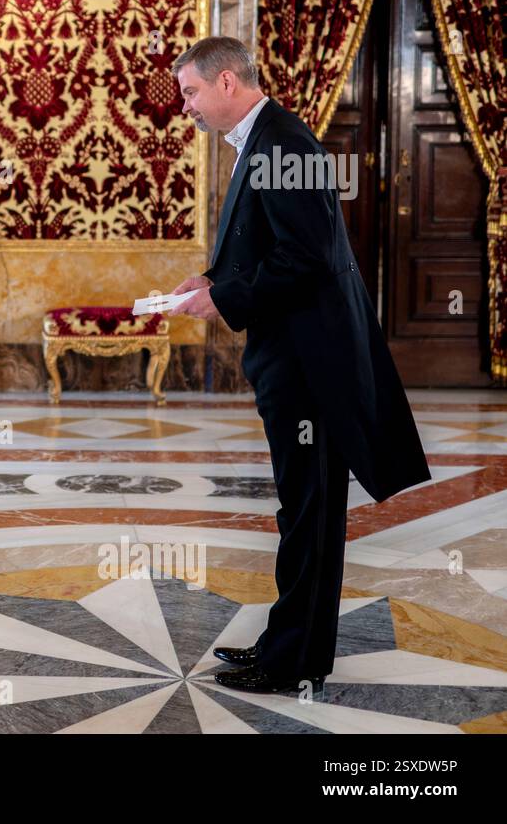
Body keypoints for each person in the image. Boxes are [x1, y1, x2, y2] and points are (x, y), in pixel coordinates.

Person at [169, 36, 430, 695]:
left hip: (311, 365)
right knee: (301, 508)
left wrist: (223, 297)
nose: (187, 107)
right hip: (296, 357)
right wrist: (211, 277)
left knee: (310, 510)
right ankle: (285, 643)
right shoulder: (265, 138)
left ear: (227, 81)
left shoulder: (283, 142)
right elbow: (273, 243)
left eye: (192, 92)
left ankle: (292, 659)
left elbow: (304, 260)